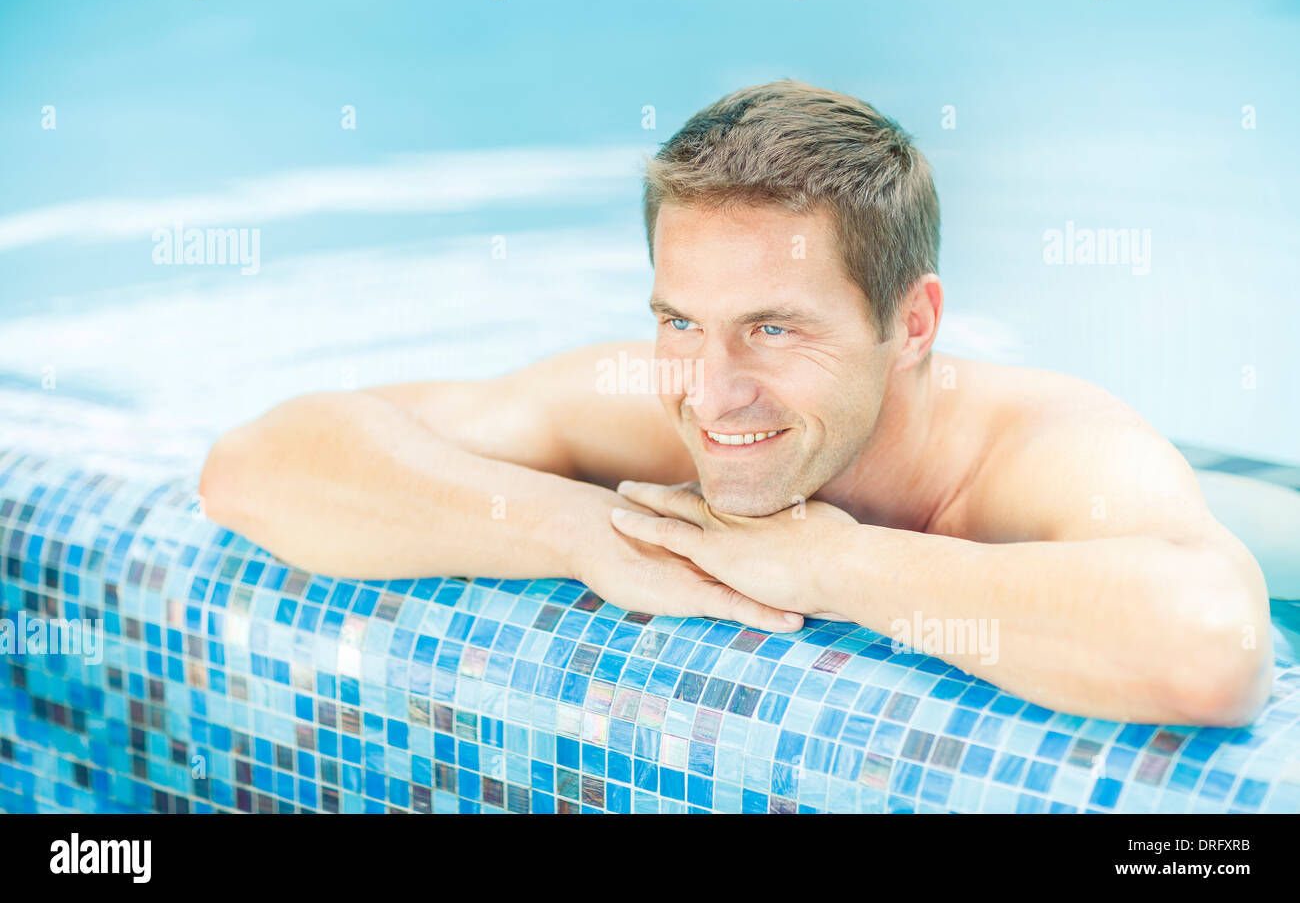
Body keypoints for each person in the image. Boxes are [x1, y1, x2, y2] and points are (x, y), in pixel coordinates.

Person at [199, 80, 1272, 726]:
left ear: (913, 322)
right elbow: (255, 464)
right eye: (679, 321)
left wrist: (833, 562)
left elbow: (1215, 648)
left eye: (773, 326)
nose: (708, 394)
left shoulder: (1057, 454)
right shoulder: (643, 403)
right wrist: (581, 530)